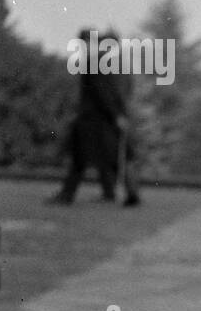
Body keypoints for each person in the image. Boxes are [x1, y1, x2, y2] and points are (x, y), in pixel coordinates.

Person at [49, 28, 141, 206]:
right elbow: (121, 92)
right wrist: (120, 115)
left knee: (84, 158)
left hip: (95, 120)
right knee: (107, 157)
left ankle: (70, 195)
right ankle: (117, 193)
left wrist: (116, 116)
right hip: (105, 119)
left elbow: (104, 94)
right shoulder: (115, 64)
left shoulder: (97, 62)